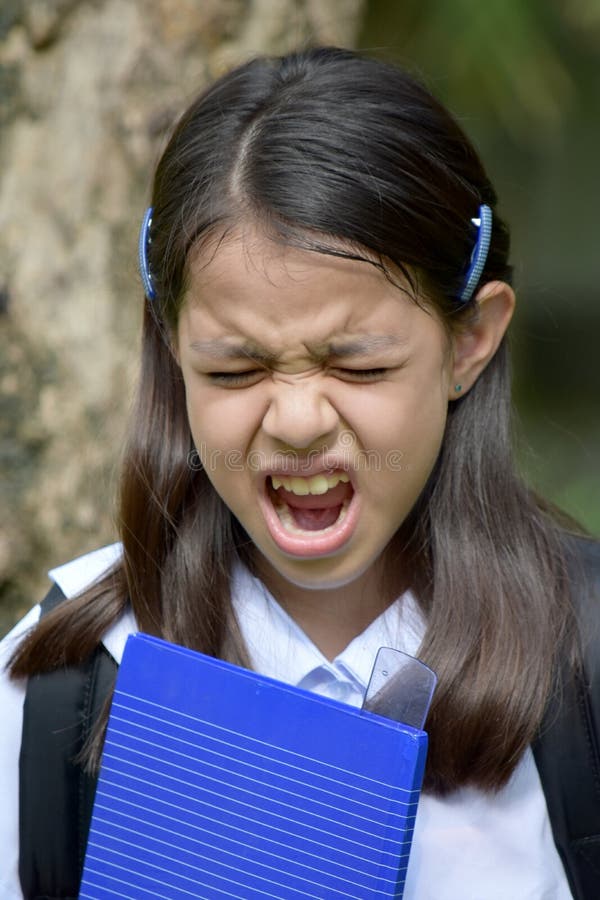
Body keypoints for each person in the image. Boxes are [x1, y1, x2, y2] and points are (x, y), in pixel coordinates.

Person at [1, 46, 598, 900]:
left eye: (357, 366)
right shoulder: (61, 681)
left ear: (469, 340)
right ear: (173, 350)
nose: (297, 421)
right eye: (235, 371)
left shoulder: (582, 661)